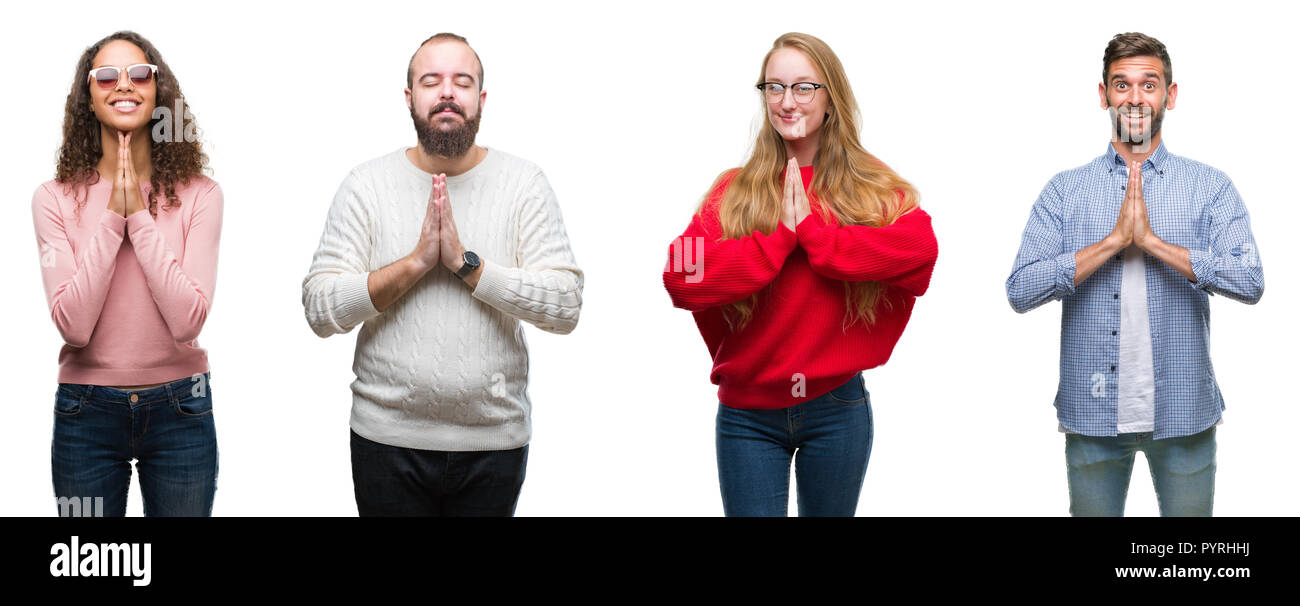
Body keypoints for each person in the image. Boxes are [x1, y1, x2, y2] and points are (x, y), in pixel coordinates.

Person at [302, 33, 583, 517]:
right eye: (431, 81)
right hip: (386, 442)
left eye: (462, 81)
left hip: (494, 444)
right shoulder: (366, 185)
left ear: (481, 99)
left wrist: (465, 266)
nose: (447, 92)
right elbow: (319, 309)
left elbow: (566, 306)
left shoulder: (524, 184)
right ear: (410, 98)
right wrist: (414, 265)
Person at [663, 32, 938, 517]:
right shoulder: (733, 189)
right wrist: (774, 243)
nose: (786, 102)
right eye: (774, 87)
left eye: (803, 88)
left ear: (831, 97)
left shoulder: (869, 186)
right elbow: (681, 275)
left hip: (837, 410)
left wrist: (816, 237)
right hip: (747, 416)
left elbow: (920, 250)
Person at [1006, 32, 1264, 517]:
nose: (1135, 97)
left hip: (1185, 414)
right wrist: (1111, 244)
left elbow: (1250, 280)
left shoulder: (1209, 187)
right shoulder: (1066, 192)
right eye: (1121, 85)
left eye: (1149, 84)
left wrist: (1153, 245)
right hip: (1092, 415)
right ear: (1103, 95)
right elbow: (1020, 290)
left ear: (1170, 95)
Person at [33, 31, 222, 517]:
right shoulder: (52, 198)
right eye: (106, 76)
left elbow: (188, 322)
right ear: (88, 99)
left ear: (159, 92)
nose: (124, 85)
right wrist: (113, 217)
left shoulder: (201, 194)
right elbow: (73, 326)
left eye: (140, 74)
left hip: (182, 408)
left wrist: (137, 215)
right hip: (84, 411)